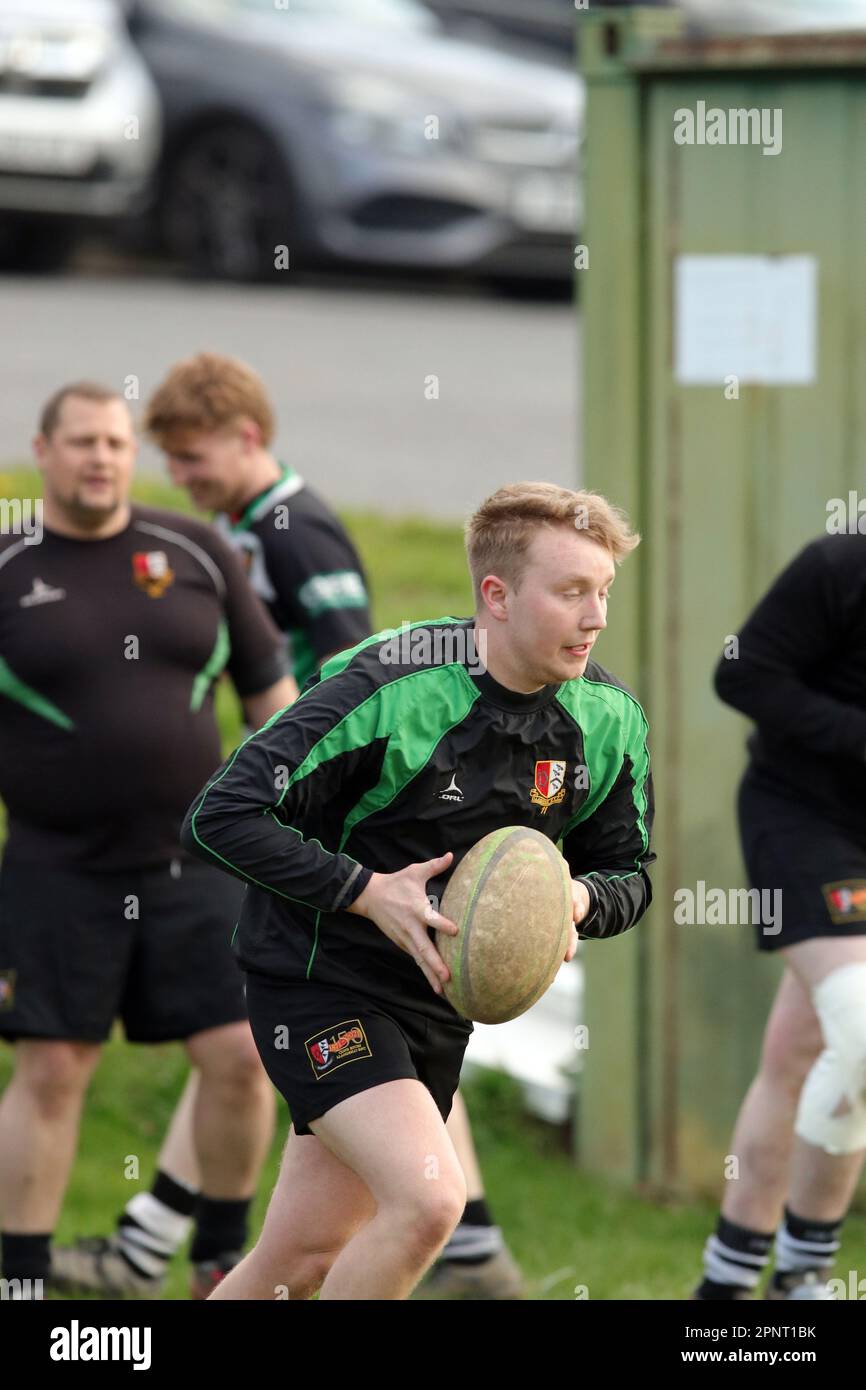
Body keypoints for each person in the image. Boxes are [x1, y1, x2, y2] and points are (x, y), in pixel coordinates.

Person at [62, 350, 525, 1300]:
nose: (178, 478)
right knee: (290, 1032)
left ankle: (463, 1236)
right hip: (288, 825)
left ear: (248, 438)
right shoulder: (242, 527)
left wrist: (303, 808)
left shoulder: (295, 532)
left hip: (327, 833)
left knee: (376, 1020)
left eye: (192, 458)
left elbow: (357, 678)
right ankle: (452, 1237)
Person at [181, 481, 656, 1300]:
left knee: (299, 1258)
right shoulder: (392, 687)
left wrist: (573, 903)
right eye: (573, 591)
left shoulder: (607, 721)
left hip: (436, 1005)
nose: (597, 616)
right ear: (496, 596)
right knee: (431, 1201)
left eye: (605, 591)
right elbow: (221, 815)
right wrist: (365, 890)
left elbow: (631, 873)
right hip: (318, 979)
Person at [0, 383, 296, 1300]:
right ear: (43, 451)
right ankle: (20, 1285)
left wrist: (293, 830)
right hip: (55, 864)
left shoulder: (196, 552)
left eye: (118, 442)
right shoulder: (8, 563)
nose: (102, 457)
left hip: (197, 861)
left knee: (244, 1059)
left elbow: (272, 701)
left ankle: (218, 1263)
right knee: (52, 1069)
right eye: (82, 441)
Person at [693, 533, 866, 1301]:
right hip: (804, 819)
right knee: (861, 1033)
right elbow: (741, 672)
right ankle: (803, 1273)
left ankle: (729, 1282)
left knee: (802, 1053)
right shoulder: (842, 564)